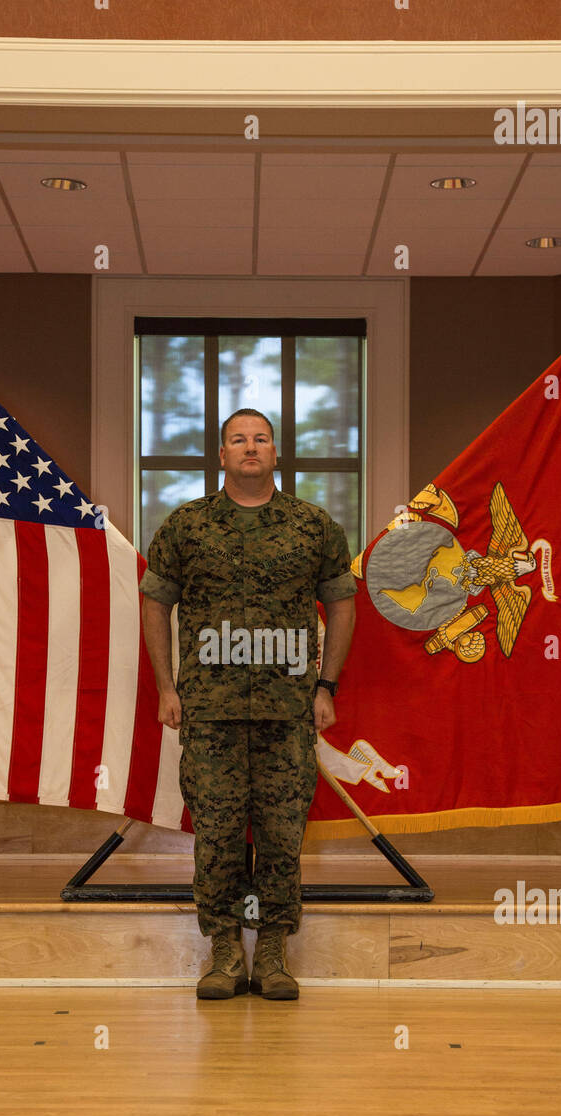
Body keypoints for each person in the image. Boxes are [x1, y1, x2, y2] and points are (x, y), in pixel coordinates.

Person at [139, 408, 356, 1000]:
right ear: (222, 454)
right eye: (239, 439)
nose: (250, 447)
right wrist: (166, 686)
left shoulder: (313, 526)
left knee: (283, 833)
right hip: (210, 711)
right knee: (217, 834)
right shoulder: (186, 526)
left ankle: (275, 952)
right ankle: (226, 951)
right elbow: (155, 601)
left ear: (276, 453)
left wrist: (325, 686)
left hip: (288, 712)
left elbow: (341, 603)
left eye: (260, 439)